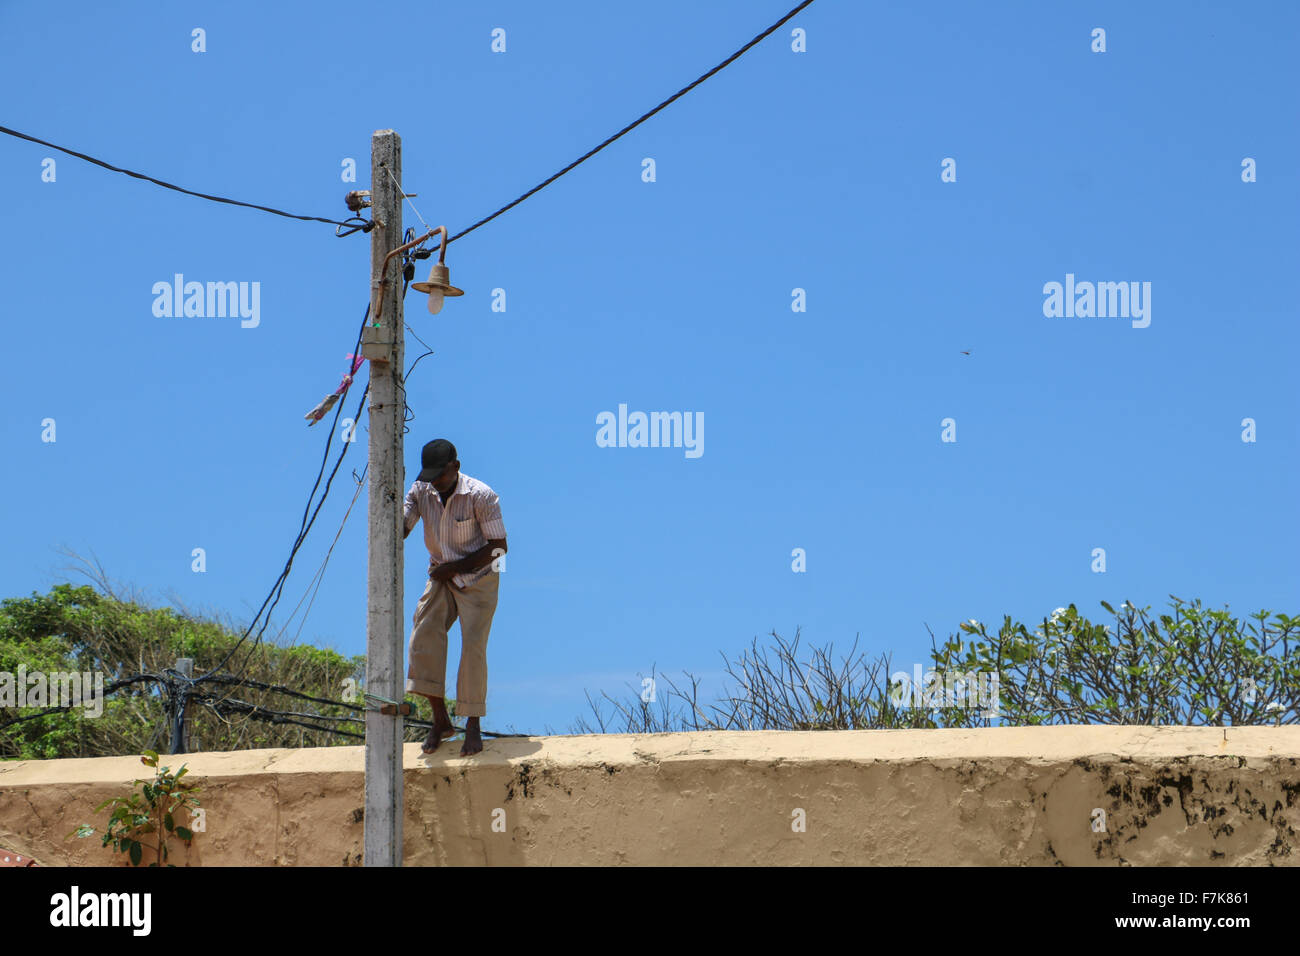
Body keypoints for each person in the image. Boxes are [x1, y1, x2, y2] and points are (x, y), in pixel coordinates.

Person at [402, 439, 507, 756]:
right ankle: (441, 720)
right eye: (430, 476)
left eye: (440, 475)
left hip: (479, 577)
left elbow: (499, 547)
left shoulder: (481, 495)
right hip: (441, 575)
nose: (435, 482)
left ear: (456, 468)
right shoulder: (421, 490)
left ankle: (472, 724)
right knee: (423, 635)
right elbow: (402, 525)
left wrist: (455, 568)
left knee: (472, 646)